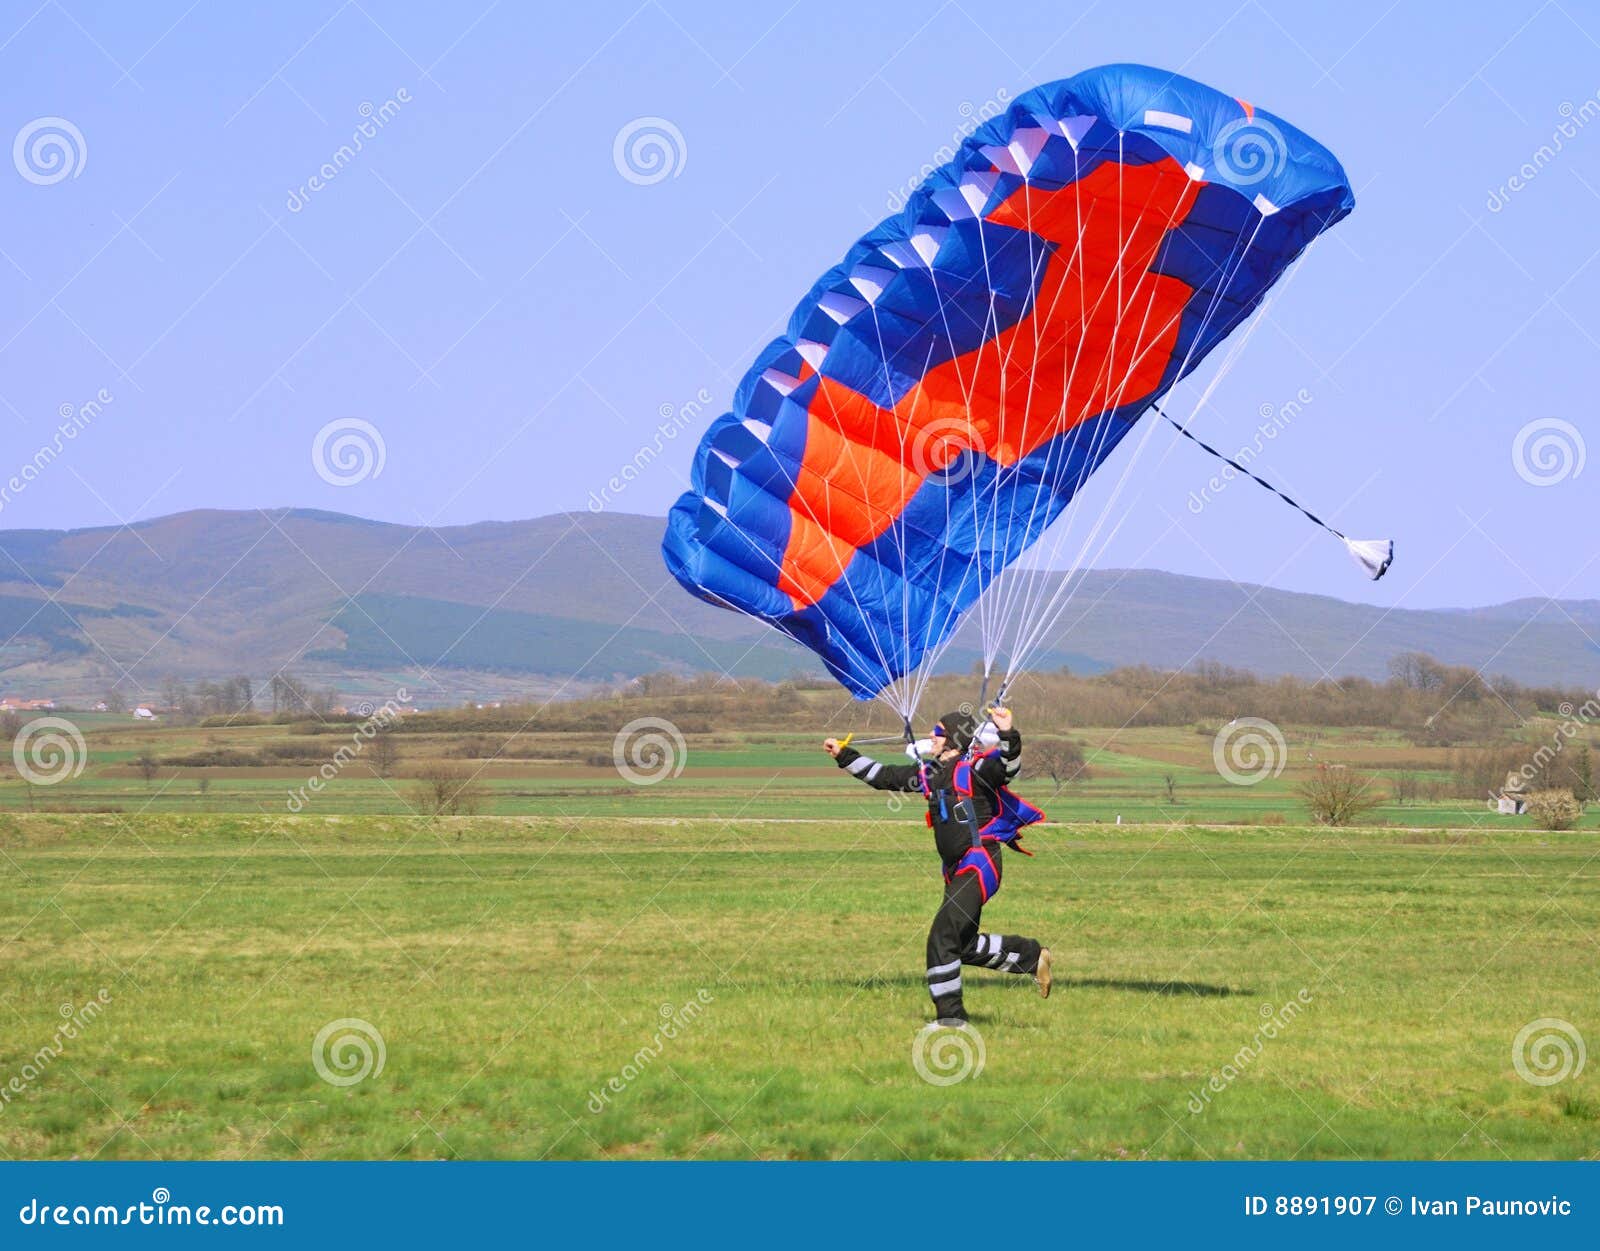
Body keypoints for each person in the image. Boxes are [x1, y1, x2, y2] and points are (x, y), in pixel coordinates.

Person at [824, 707, 1050, 1024]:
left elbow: (1008, 768)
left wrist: (1008, 733)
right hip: (955, 870)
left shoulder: (976, 769)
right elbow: (883, 777)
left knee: (941, 938)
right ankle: (1030, 956)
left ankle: (951, 1019)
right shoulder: (930, 775)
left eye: (938, 731)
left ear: (953, 739)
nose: (931, 735)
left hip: (979, 863)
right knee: (962, 944)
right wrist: (844, 755)